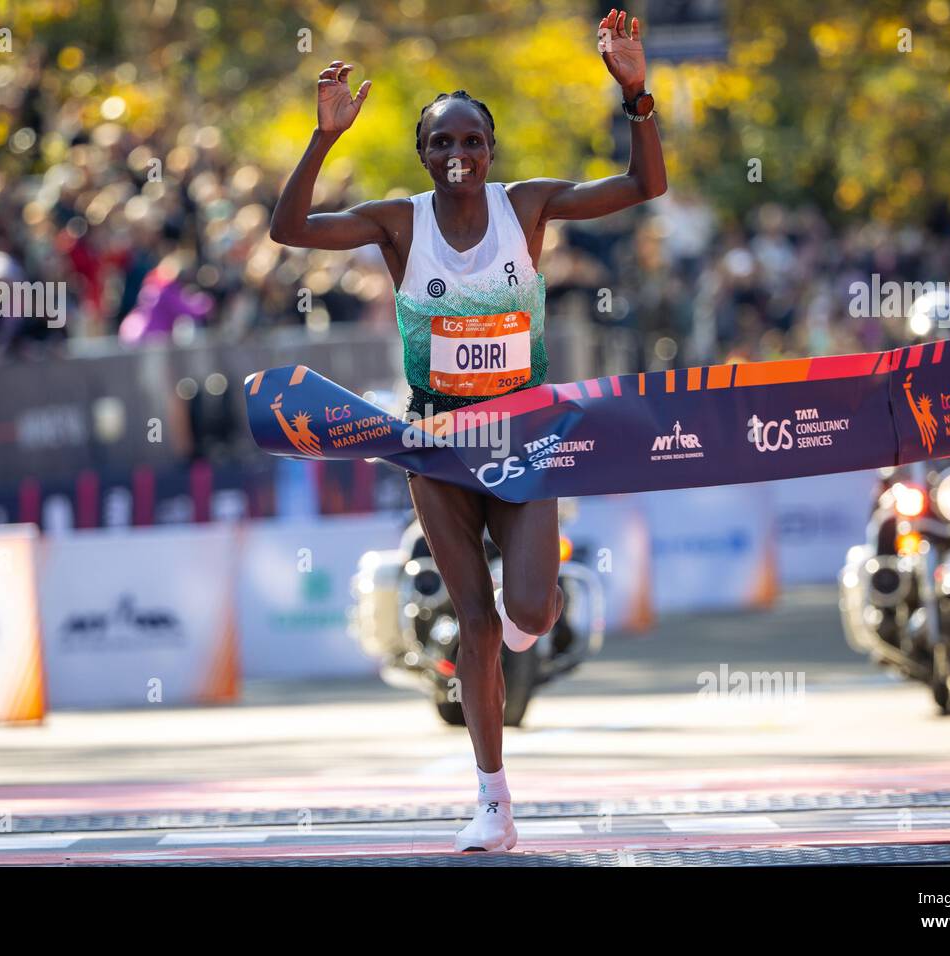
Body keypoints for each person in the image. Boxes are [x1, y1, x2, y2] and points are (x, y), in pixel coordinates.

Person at [269, 8, 666, 851]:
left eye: (471, 142)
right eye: (441, 143)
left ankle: (534, 634)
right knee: (476, 621)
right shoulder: (398, 223)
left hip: (525, 435)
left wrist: (636, 94)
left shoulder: (527, 208)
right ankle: (493, 802)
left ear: (491, 150)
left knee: (531, 607)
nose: (457, 156)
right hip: (437, 445)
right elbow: (291, 230)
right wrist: (323, 139)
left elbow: (644, 188)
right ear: (423, 154)